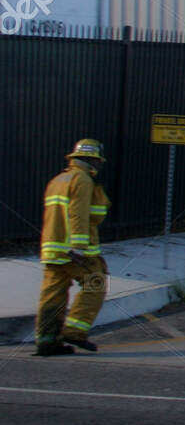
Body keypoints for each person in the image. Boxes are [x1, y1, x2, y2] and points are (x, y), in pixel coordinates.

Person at [37, 138, 111, 356]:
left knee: (53, 295)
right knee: (95, 284)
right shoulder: (82, 180)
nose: (99, 166)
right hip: (75, 251)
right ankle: (74, 332)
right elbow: (78, 214)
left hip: (52, 250)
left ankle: (47, 341)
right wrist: (78, 246)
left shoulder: (58, 179)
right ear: (92, 160)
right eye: (98, 161)